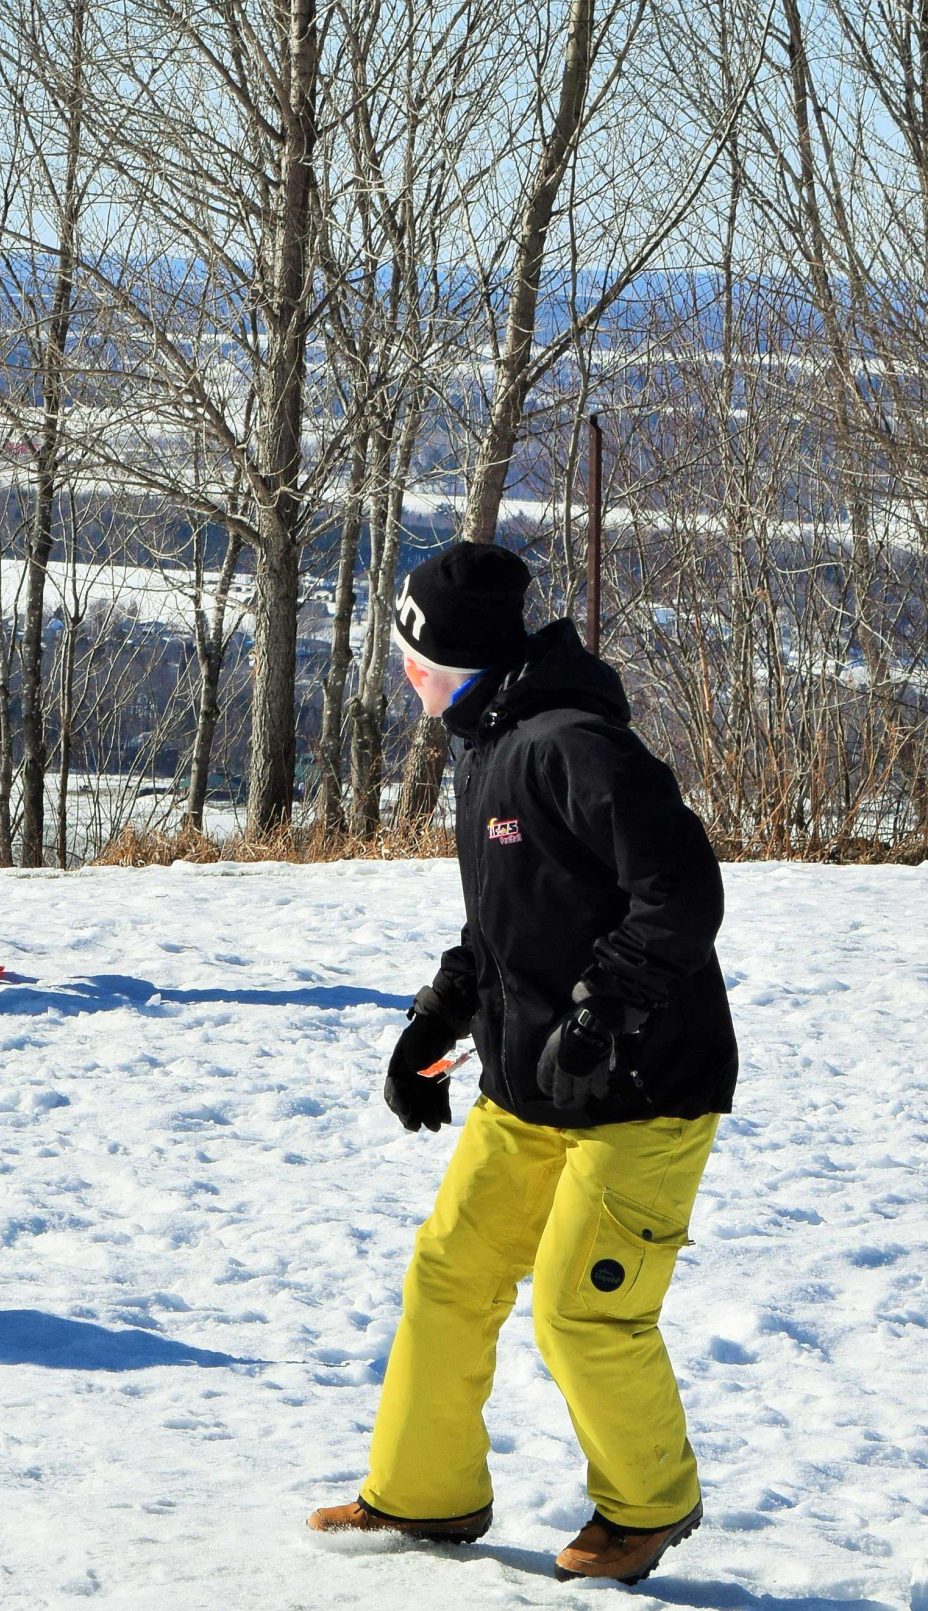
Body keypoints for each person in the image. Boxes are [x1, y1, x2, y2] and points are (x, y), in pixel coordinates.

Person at [307, 542, 734, 1586]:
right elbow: (510, 915)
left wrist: (601, 1015)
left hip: (640, 1089)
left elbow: (680, 892)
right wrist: (438, 1013)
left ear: (450, 656)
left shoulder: (571, 745)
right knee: (449, 1275)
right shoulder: (487, 741)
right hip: (531, 1082)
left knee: (581, 1306)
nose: (404, 675)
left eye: (411, 658)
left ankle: (647, 1504)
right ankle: (425, 1494)